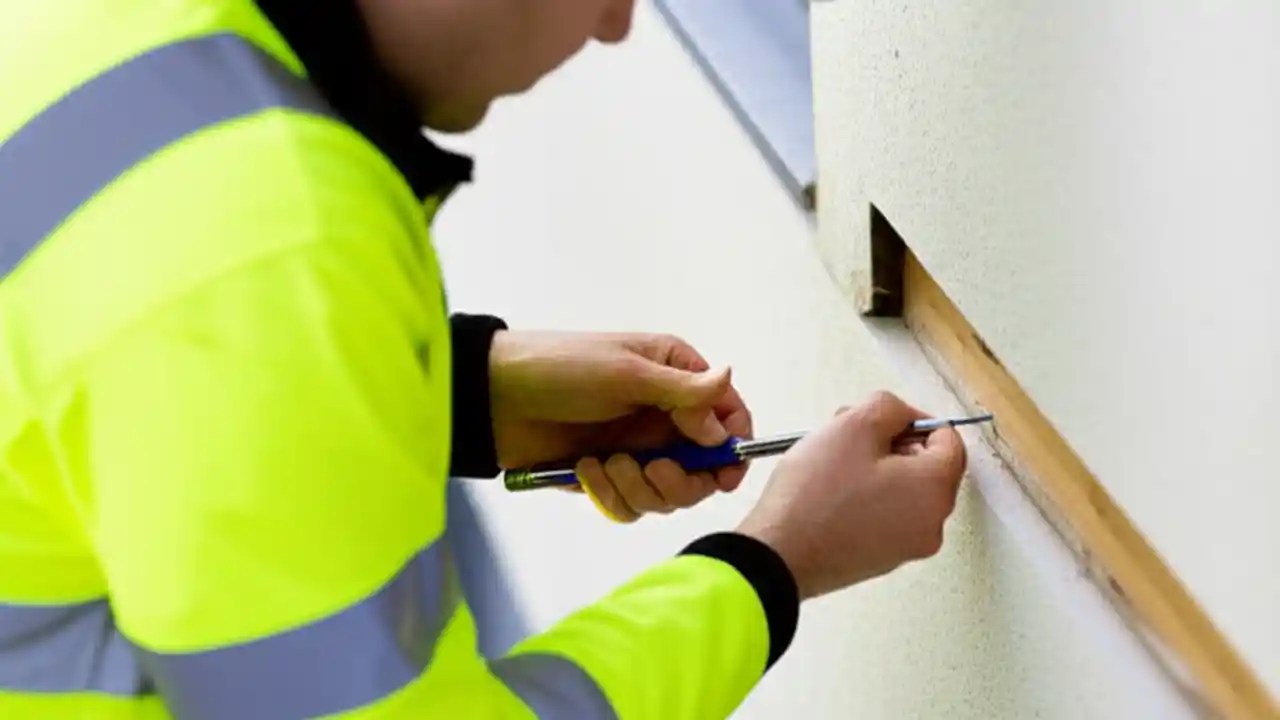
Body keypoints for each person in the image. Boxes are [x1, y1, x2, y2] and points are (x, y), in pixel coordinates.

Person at [0, 0, 968, 718]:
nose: (618, 24)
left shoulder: (118, 43)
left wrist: (463, 396)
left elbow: (106, 392)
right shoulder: (268, 239)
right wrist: (774, 564)